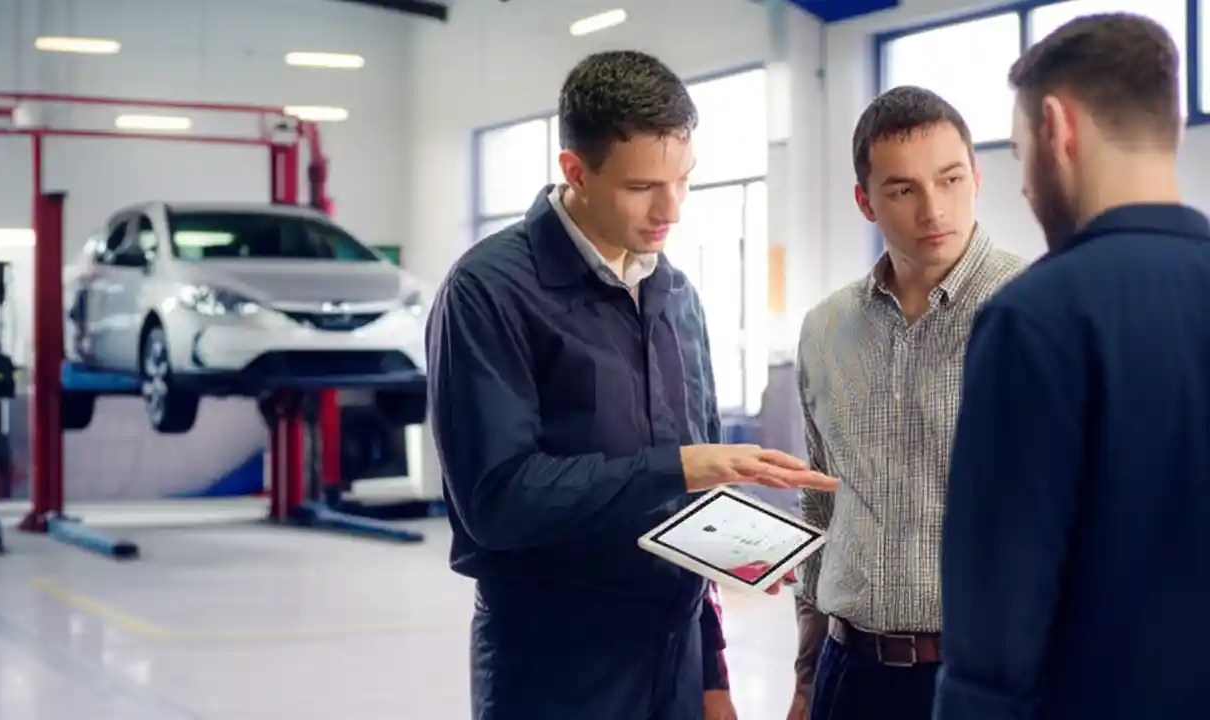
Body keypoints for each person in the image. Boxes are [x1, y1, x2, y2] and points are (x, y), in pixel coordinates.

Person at [425, 50, 838, 720]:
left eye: (683, 180)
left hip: (672, 667)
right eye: (643, 187)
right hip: (553, 667)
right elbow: (496, 501)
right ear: (575, 172)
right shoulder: (490, 290)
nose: (670, 209)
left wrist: (713, 673)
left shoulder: (675, 294)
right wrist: (674, 466)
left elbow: (684, 503)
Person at [934, 13, 1209, 720]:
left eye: (1021, 151)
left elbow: (993, 646)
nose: (1025, 185)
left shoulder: (1036, 319)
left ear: (1058, 130)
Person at [786, 86, 1026, 720]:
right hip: (850, 673)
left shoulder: (1036, 310)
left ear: (976, 175)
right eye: (902, 190)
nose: (933, 209)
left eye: (950, 179)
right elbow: (818, 503)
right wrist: (807, 676)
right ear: (865, 202)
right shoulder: (826, 328)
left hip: (991, 676)